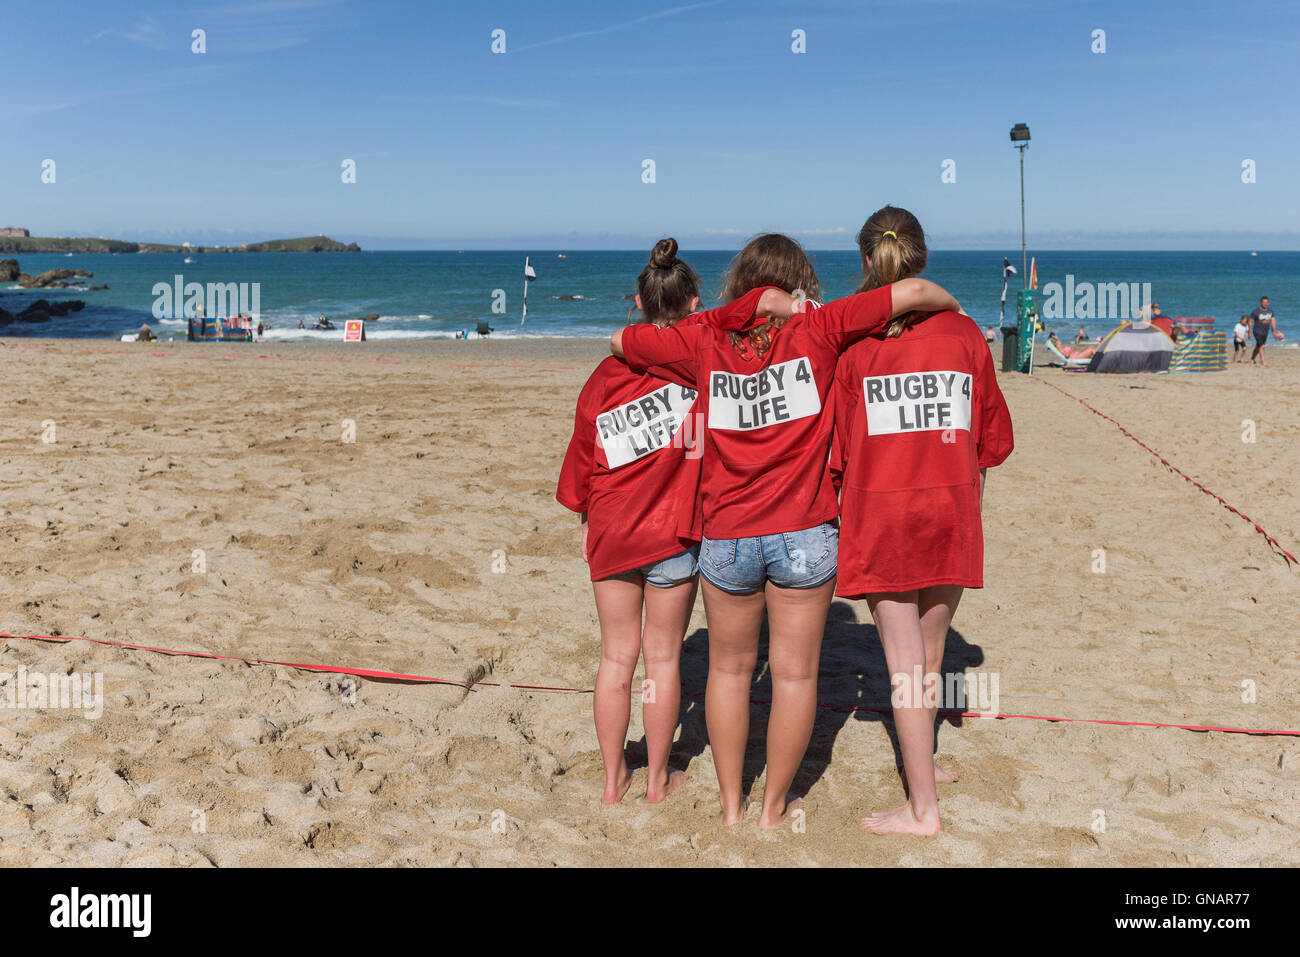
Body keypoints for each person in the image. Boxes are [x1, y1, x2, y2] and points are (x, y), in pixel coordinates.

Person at [612, 233, 962, 828]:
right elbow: (915, 290)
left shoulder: (703, 336)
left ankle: (731, 808)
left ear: (737, 285)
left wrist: (739, 313)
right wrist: (955, 315)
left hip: (727, 532)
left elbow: (622, 338)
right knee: (795, 674)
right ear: (800, 285)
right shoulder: (820, 326)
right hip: (804, 530)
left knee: (729, 671)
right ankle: (773, 809)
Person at [557, 239, 791, 805]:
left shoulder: (603, 378)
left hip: (613, 532)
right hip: (673, 536)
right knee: (662, 658)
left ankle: (613, 779)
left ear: (637, 302)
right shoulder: (698, 371)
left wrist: (589, 514)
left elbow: (581, 468)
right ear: (692, 305)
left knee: (616, 657)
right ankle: (657, 778)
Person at [830, 206, 1013, 835]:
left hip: (886, 515)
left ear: (866, 261)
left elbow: (840, 453)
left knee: (906, 665)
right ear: (922, 258)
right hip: (952, 509)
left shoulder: (853, 348)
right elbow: (990, 441)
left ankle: (923, 809)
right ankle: (925, 765)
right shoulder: (964, 337)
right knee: (928, 656)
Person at [1250, 296, 1281, 366]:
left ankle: (1252, 359)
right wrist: (1249, 332)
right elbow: (1250, 322)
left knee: (1258, 346)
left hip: (1265, 332)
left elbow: (1273, 321)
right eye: (1264, 302)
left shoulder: (1270, 311)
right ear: (1261, 303)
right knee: (1262, 346)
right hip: (1257, 331)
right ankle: (1263, 361)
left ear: (1268, 303)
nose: (1265, 303)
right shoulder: (1256, 311)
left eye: (1267, 302)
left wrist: (1274, 332)